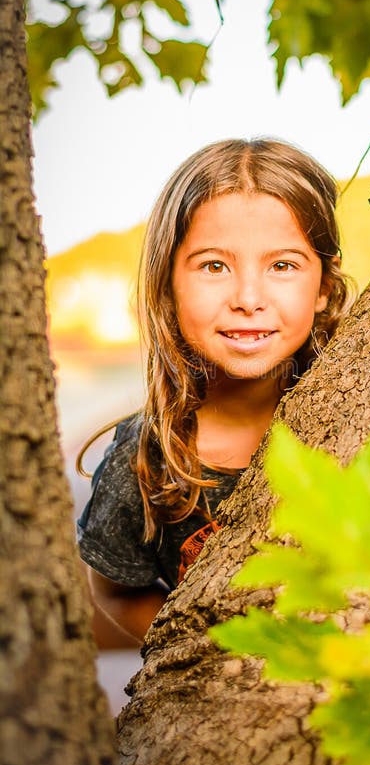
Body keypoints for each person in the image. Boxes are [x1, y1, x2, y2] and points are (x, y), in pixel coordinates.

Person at [77, 138, 354, 646]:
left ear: (323, 289)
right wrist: (196, 655)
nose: (248, 299)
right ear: (168, 286)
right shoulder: (142, 460)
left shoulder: (363, 417)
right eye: (214, 266)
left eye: (283, 265)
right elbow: (119, 591)